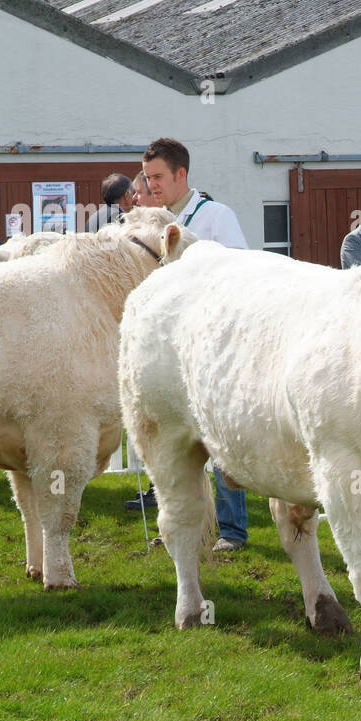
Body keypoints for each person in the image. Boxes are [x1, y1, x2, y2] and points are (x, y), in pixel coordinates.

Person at [135, 137, 249, 550]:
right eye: (148, 178)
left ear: (181, 174)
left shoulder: (215, 215)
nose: (151, 186)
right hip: (170, 343)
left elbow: (239, 268)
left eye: (159, 177)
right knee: (174, 441)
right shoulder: (149, 219)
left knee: (217, 435)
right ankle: (184, 527)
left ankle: (233, 530)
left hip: (212, 338)